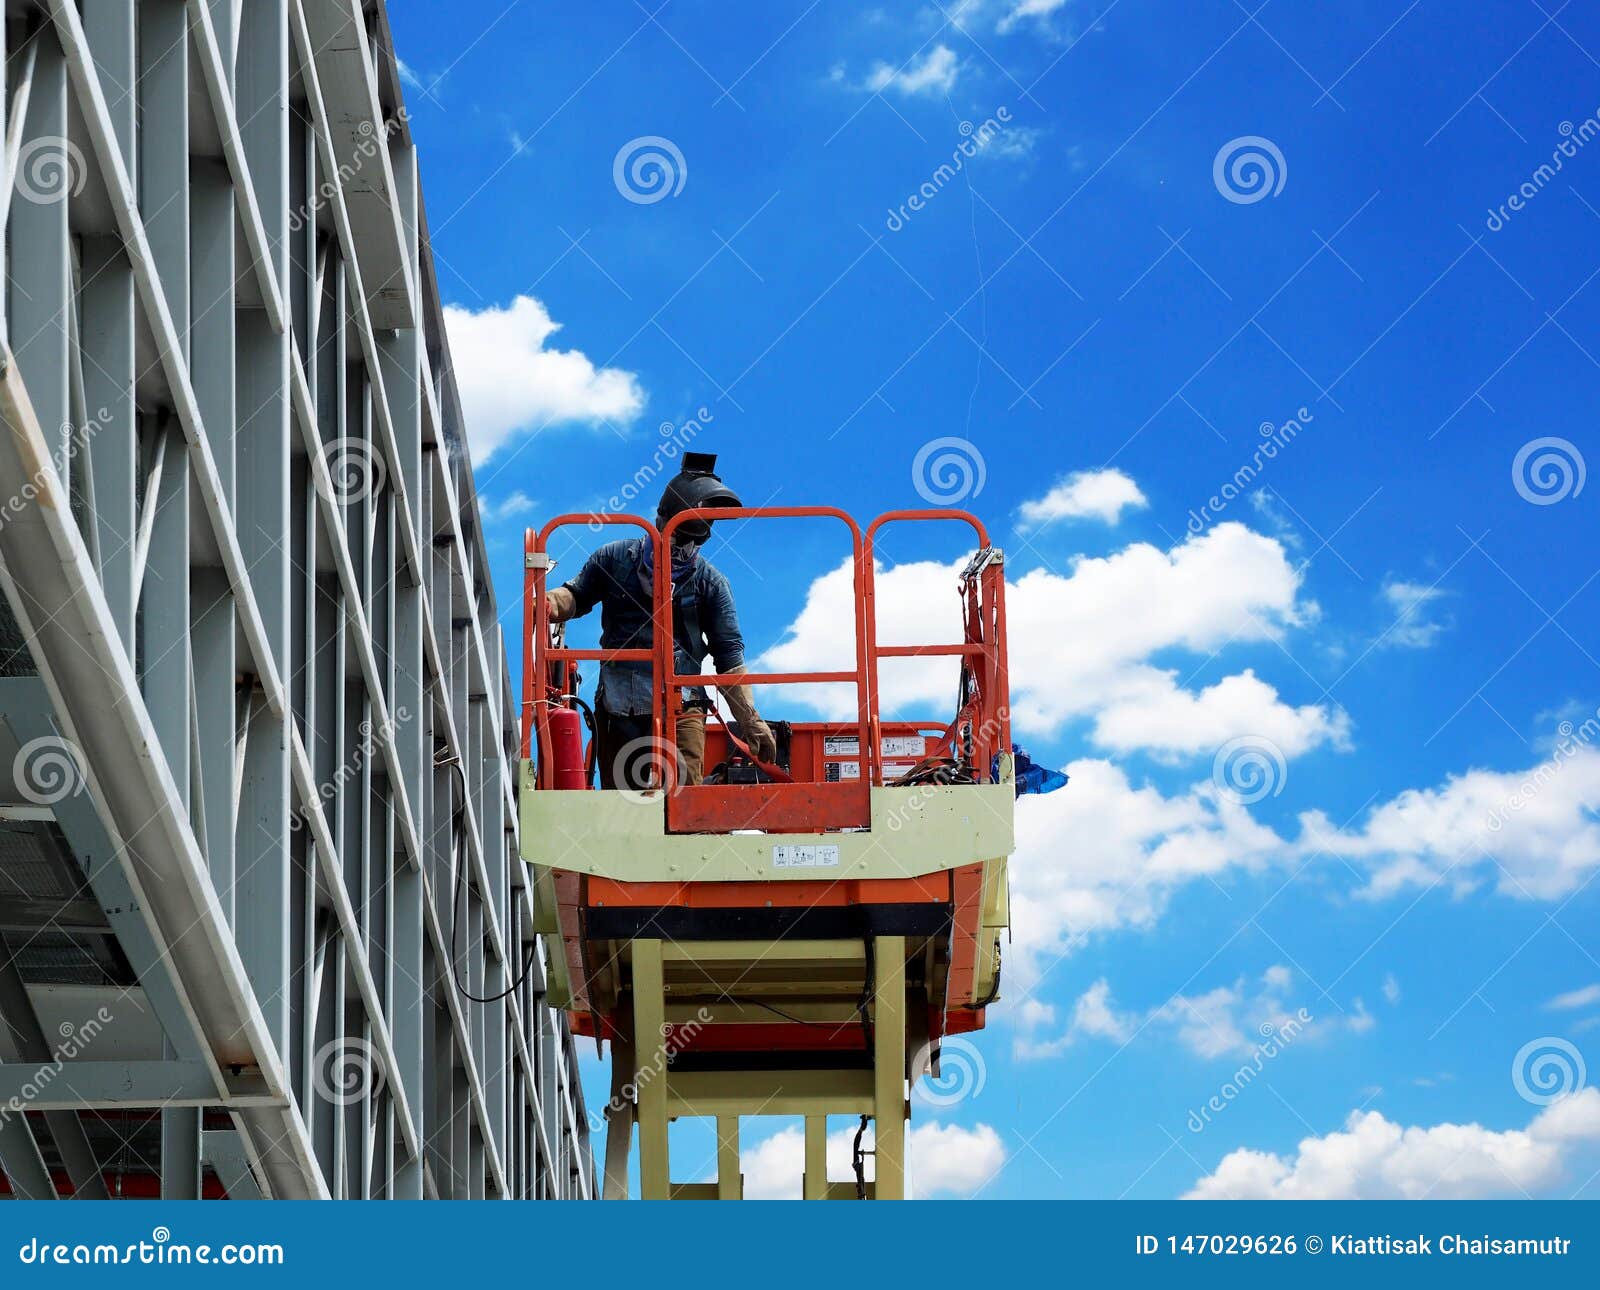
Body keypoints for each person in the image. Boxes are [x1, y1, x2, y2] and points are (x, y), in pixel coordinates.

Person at [545, 453, 777, 790]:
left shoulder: (710, 583)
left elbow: (729, 660)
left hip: (681, 708)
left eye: (694, 542)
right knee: (623, 808)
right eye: (681, 539)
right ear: (661, 524)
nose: (685, 549)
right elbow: (577, 595)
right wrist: (548, 603)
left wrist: (750, 721)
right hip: (617, 705)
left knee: (683, 805)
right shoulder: (613, 559)